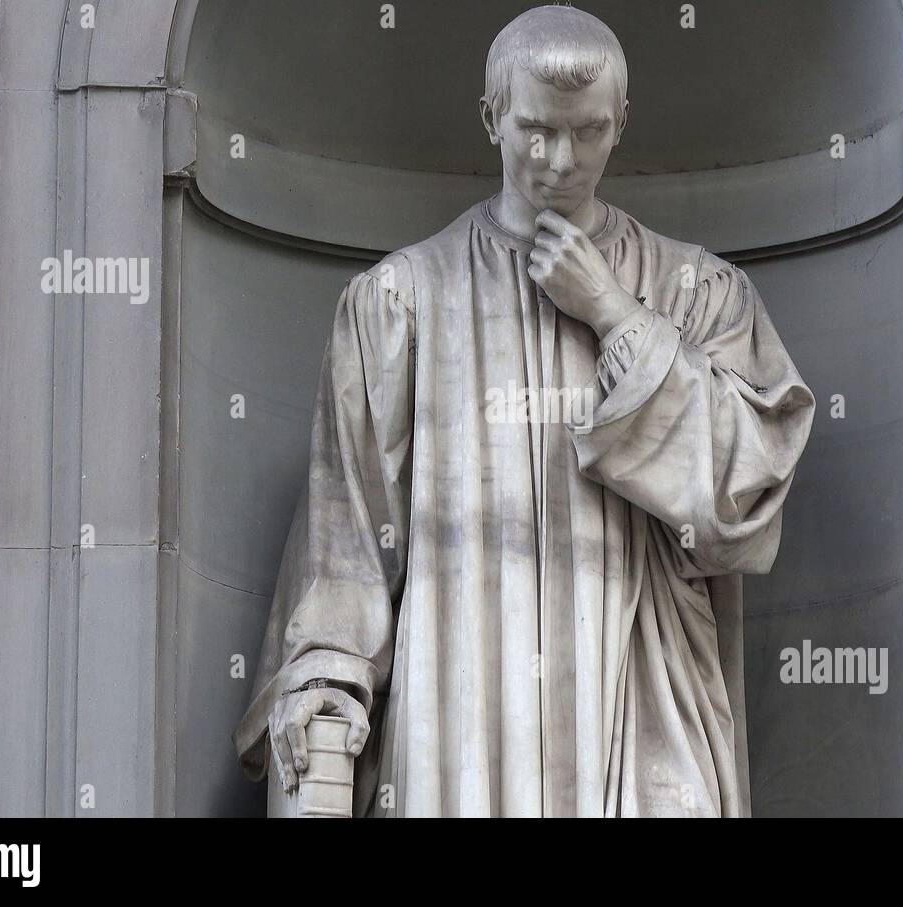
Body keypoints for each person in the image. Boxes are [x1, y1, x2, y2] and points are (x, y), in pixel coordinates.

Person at [234, 4, 814, 817]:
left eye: (589, 131)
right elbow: (350, 540)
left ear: (622, 124)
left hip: (647, 699)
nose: (561, 159)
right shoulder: (402, 302)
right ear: (491, 117)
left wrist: (616, 315)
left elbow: (739, 502)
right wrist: (326, 704)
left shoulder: (698, 292)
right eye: (537, 129)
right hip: (460, 711)